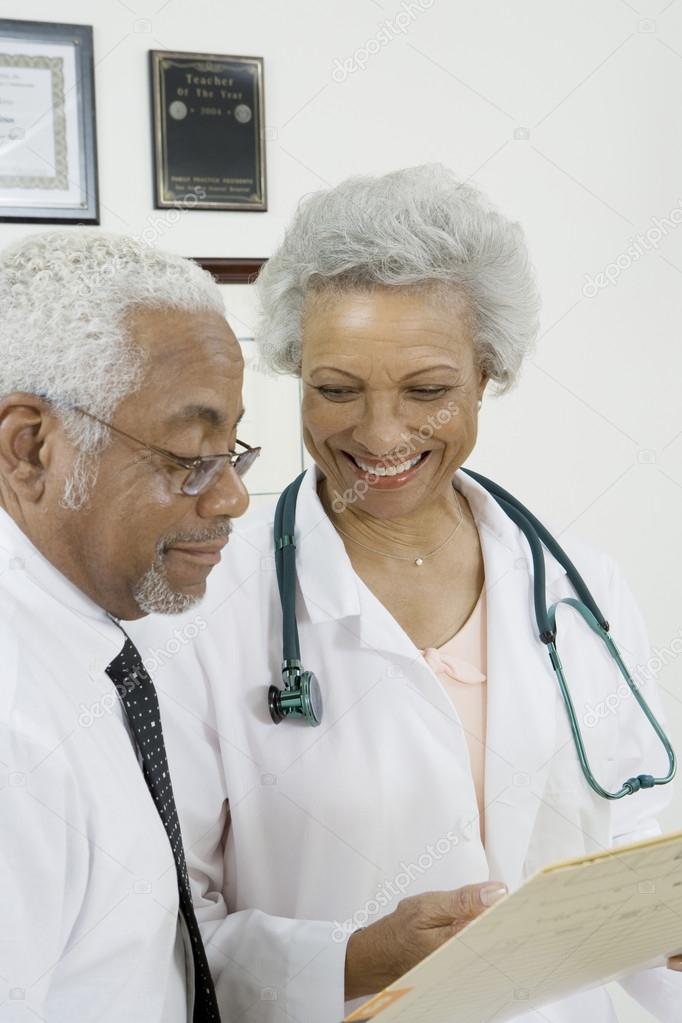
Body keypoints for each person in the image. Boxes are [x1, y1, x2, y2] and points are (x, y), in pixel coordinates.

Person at [132, 165, 682, 1023]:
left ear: (487, 372)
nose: (382, 434)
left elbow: (633, 836)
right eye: (337, 389)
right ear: (293, 372)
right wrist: (354, 958)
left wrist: (664, 925)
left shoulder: (581, 587)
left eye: (428, 390)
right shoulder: (203, 601)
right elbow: (165, 925)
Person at [0, 231, 258, 1021]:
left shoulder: (91, 639)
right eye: (189, 456)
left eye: (232, 451)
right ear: (29, 448)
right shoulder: (13, 729)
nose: (232, 500)